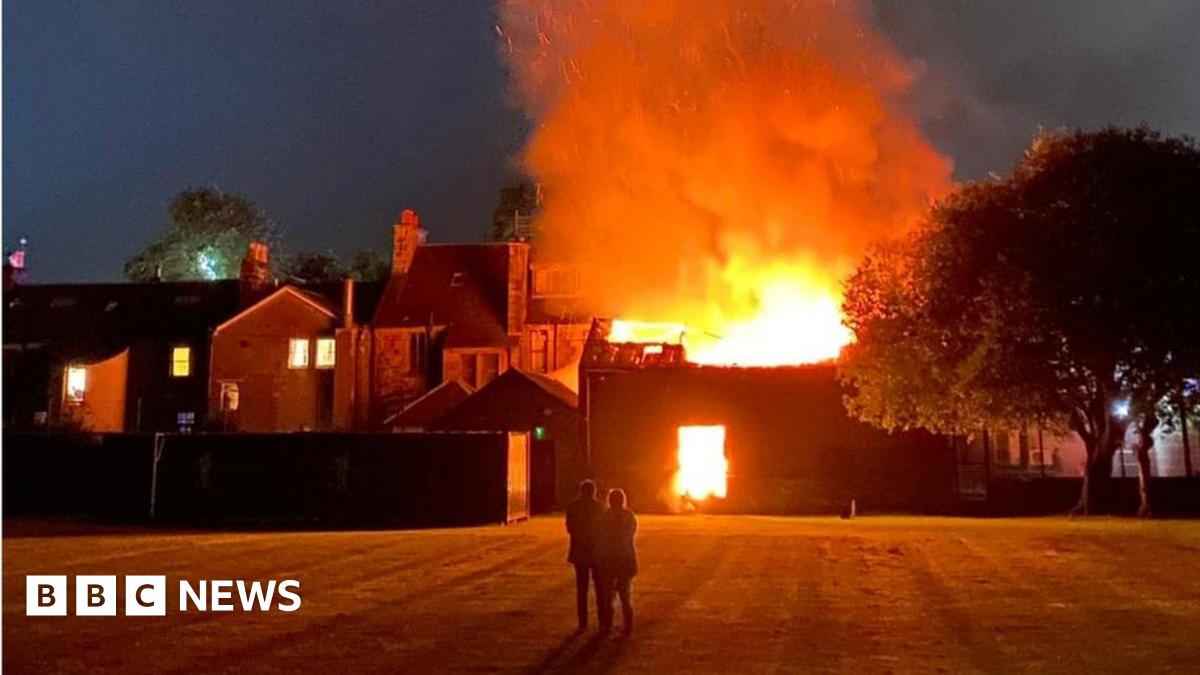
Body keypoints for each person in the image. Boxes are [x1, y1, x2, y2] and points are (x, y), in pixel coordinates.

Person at [565, 479, 605, 632]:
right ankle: (603, 620)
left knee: (582, 589)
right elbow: (604, 528)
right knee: (600, 588)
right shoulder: (600, 507)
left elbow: (570, 528)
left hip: (579, 552)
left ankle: (583, 622)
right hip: (596, 552)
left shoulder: (573, 507)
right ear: (593, 491)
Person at [596, 488, 638, 636]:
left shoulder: (605, 517)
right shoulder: (629, 516)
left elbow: (600, 537)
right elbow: (629, 536)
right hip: (625, 559)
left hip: (609, 559)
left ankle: (607, 625)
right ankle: (628, 626)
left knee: (608, 595)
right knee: (625, 595)